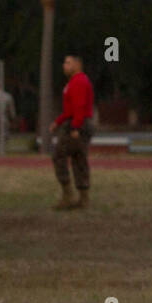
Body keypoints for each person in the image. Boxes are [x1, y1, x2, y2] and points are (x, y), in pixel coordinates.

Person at [50, 54, 94, 209]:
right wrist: (58, 121)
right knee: (78, 158)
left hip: (77, 124)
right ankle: (83, 198)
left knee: (59, 154)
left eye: (68, 62)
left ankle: (68, 194)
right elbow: (69, 109)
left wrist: (76, 127)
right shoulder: (73, 82)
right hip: (75, 121)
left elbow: (79, 107)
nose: (64, 65)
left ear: (77, 64)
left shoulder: (79, 81)